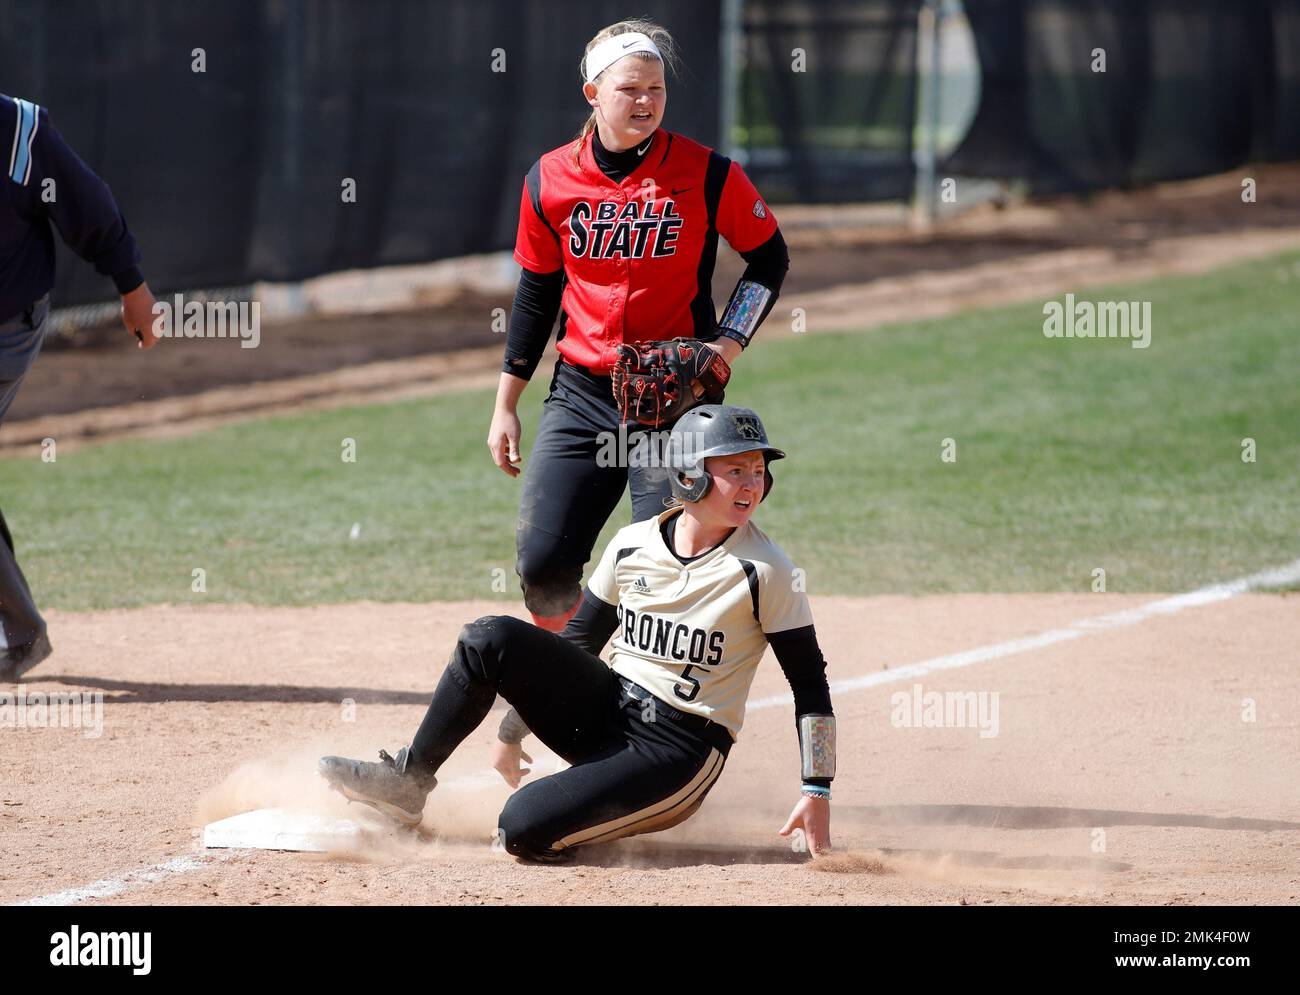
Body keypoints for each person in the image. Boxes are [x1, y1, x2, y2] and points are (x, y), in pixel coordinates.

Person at [321, 405, 836, 862]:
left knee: (520, 830)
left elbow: (810, 686)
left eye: (758, 472)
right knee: (488, 637)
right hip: (608, 707)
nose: (751, 484)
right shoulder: (635, 543)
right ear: (687, 476)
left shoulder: (766, 571)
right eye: (734, 470)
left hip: (676, 751)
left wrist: (817, 788)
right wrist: (510, 731)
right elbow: (579, 641)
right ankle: (406, 783)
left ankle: (600, 804)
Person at [486, 18, 790, 632]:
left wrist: (723, 346)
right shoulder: (549, 179)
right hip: (583, 395)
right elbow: (538, 291)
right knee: (542, 563)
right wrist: (506, 403)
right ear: (593, 94)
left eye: (656, 88)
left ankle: (639, 710)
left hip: (675, 401)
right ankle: (562, 684)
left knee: (656, 561)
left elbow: (768, 257)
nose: (646, 101)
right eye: (630, 89)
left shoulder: (708, 173)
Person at [0, 93, 159, 682]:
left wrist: (132, 285)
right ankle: (19, 631)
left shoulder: (19, 129)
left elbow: (87, 205)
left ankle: (21, 632)